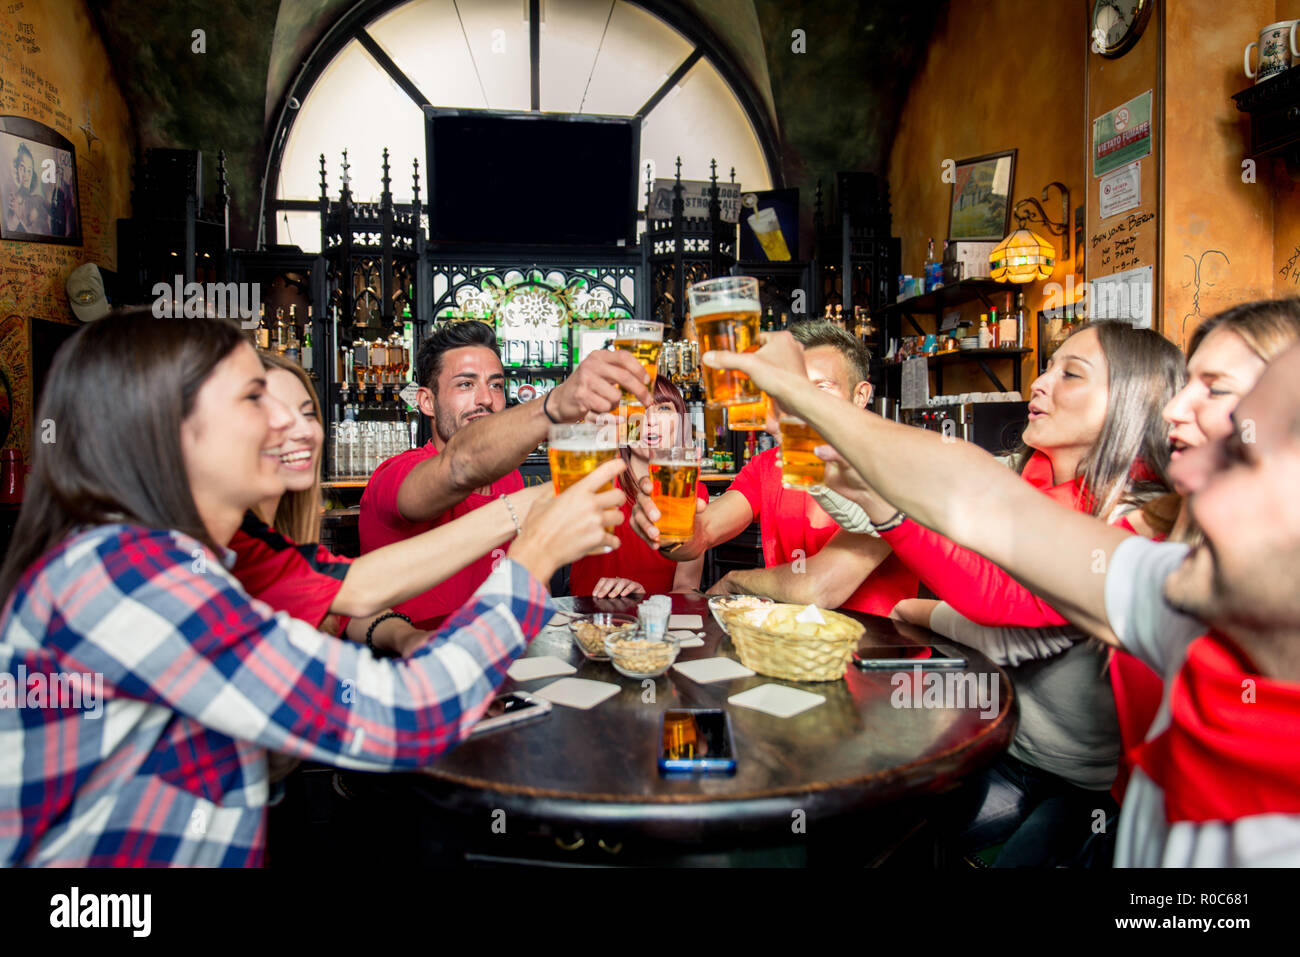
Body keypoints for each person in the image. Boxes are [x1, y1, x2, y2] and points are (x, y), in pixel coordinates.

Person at [0, 313, 624, 866]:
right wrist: (533, 555)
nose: (290, 426)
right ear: (164, 429)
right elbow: (407, 712)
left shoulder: (181, 555)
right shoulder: (132, 580)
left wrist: (555, 501)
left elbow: (348, 589)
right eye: (252, 398)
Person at [702, 308, 1300, 866]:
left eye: (1216, 388)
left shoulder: (1149, 547)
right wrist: (823, 434)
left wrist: (809, 405)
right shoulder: (1169, 583)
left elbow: (1001, 599)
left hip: (1076, 786)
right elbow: (985, 502)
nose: (1176, 408)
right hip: (1014, 750)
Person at [858, 321, 1184, 866]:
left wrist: (917, 602)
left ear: (1133, 400)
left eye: (1070, 374)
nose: (1039, 382)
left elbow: (1014, 635)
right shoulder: (1029, 488)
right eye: (1049, 366)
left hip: (1094, 788)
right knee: (883, 833)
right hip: (1005, 745)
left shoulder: (1137, 521)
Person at [230, 350, 550, 657]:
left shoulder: (270, 540)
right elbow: (356, 589)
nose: (302, 430)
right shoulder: (397, 473)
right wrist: (537, 498)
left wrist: (406, 637)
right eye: (465, 384)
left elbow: (340, 606)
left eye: (308, 412)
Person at [360, 320, 650, 629]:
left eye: (496, 385)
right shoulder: (395, 476)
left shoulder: (508, 479)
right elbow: (460, 465)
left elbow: (533, 588)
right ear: (427, 402)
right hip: (420, 667)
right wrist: (555, 405)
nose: (485, 398)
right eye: (465, 384)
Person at [631, 320, 918, 615]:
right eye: (794, 387)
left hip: (874, 653)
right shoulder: (766, 466)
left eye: (821, 387)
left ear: (860, 396)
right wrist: (668, 530)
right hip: (783, 649)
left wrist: (732, 583)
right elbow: (702, 533)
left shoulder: (889, 472)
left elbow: (819, 588)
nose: (803, 401)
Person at [569, 376, 707, 598]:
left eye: (663, 408)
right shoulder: (598, 477)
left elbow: (687, 587)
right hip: (592, 616)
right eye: (639, 408)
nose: (650, 420)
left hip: (657, 622)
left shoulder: (692, 489)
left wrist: (646, 598)